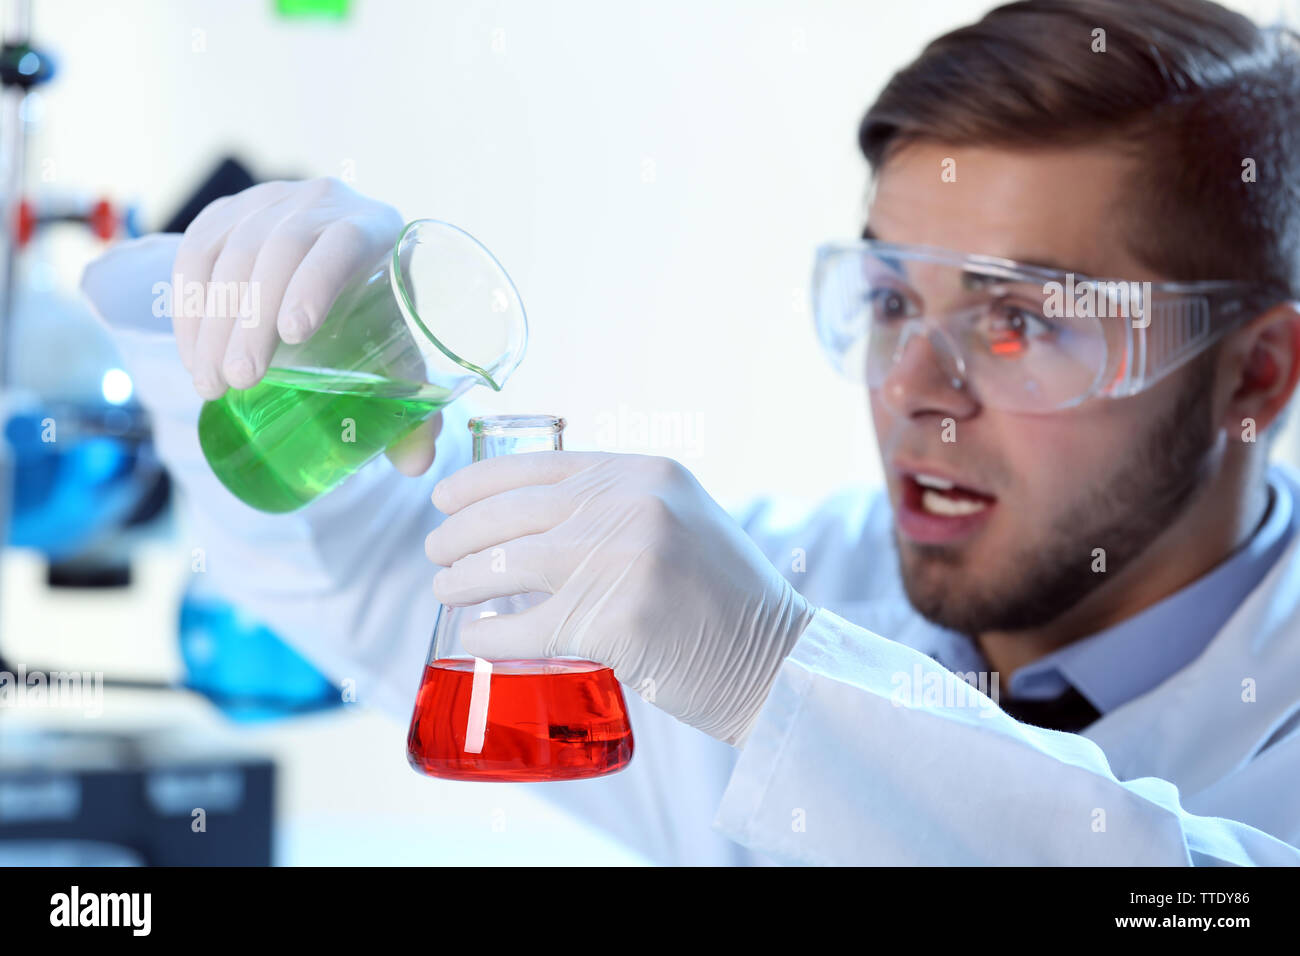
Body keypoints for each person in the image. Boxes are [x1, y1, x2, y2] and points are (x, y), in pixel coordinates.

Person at [82, 0, 1300, 865]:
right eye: (887, 299)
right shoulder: (795, 591)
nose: (914, 387)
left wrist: (778, 679)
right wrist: (232, 312)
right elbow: (363, 568)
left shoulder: (763, 647)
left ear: (1254, 373)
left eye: (1020, 319)